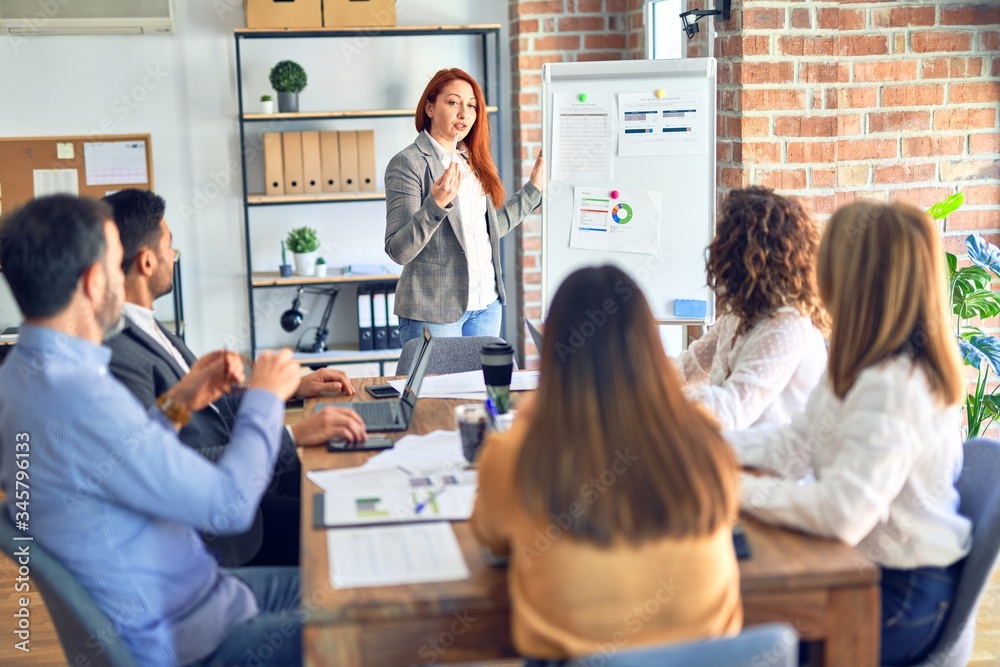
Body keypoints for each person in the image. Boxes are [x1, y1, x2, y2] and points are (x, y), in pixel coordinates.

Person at [0, 194, 304, 666]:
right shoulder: (80, 398)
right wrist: (266, 398)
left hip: (205, 597)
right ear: (94, 280)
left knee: (347, 577)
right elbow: (227, 506)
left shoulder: (22, 376)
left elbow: (121, 457)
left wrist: (180, 403)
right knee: (376, 616)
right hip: (199, 639)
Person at [731, 200, 973, 666]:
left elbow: (843, 513)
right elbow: (795, 444)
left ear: (858, 283)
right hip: (869, 571)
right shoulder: (859, 366)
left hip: (904, 595)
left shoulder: (895, 386)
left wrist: (734, 487)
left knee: (746, 644)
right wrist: (707, 448)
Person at [470, 266, 742, 660]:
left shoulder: (515, 455)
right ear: (649, 348)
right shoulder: (705, 438)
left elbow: (489, 535)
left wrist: (531, 414)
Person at [103, 188, 367, 567]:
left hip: (252, 479)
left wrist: (289, 389)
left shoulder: (150, 326)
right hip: (225, 531)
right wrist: (295, 435)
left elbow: (196, 410)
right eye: (170, 245)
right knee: (348, 533)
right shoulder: (119, 355)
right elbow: (169, 463)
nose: (174, 256)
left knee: (356, 484)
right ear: (146, 262)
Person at [385, 67, 544, 344]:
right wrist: (436, 204)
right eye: (453, 102)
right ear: (430, 108)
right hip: (434, 312)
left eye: (471, 105)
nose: (464, 113)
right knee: (439, 390)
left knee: (482, 389)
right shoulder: (408, 163)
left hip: (486, 305)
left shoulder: (471, 162)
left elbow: (489, 229)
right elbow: (399, 250)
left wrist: (534, 189)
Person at [676, 186, 828, 430]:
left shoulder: (788, 326)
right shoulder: (739, 314)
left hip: (769, 465)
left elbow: (729, 412)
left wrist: (657, 402)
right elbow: (687, 369)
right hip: (733, 455)